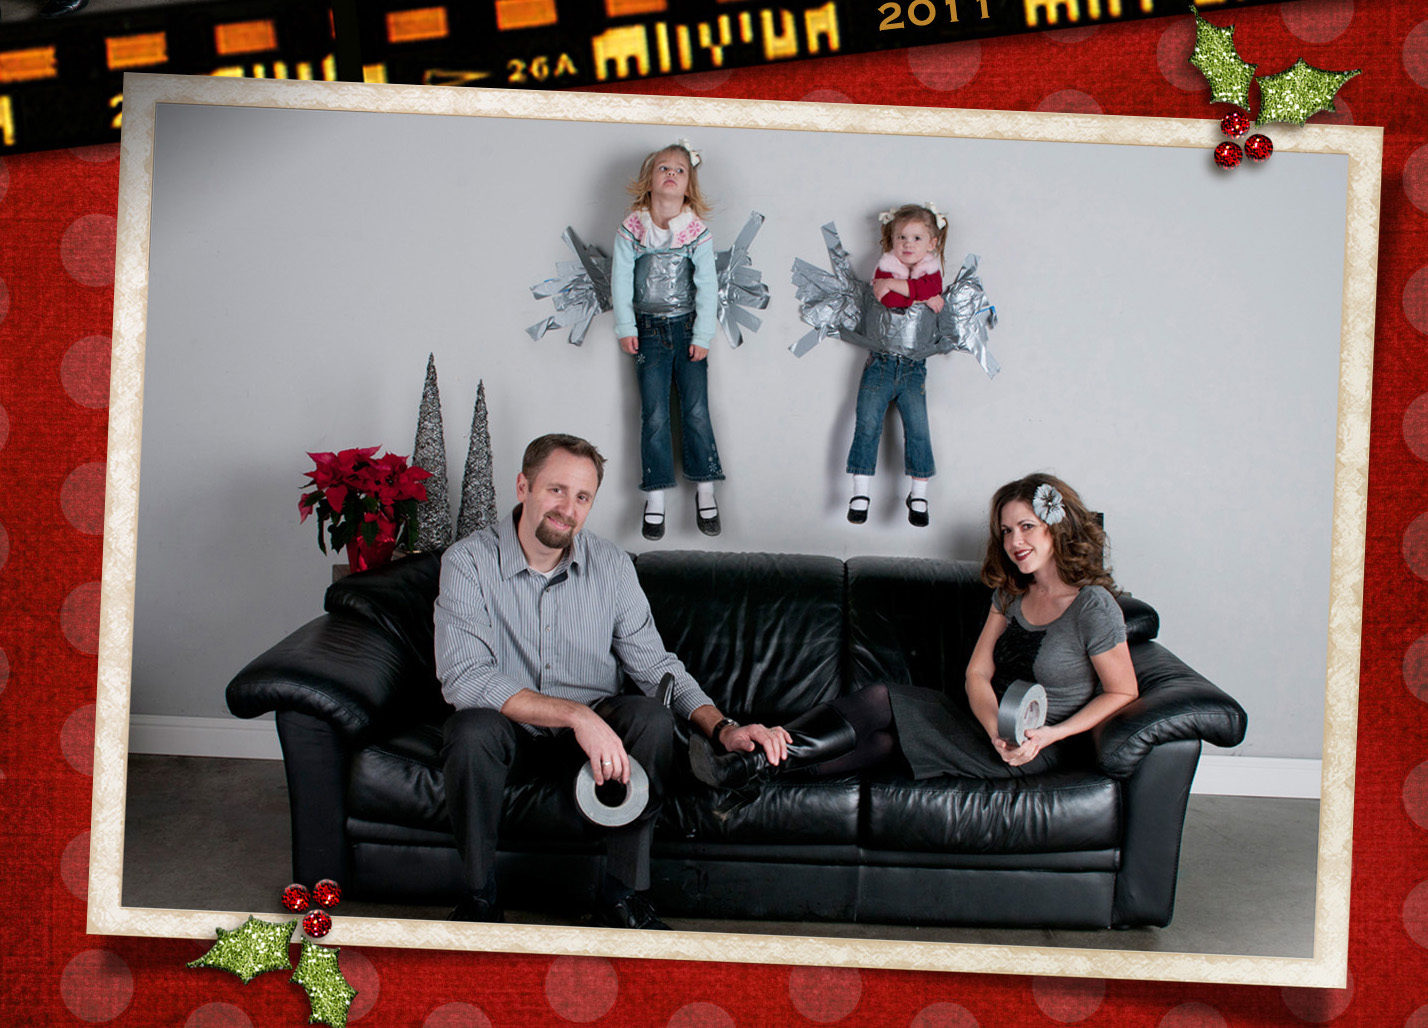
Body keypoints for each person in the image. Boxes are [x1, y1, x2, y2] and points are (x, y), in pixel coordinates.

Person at [434, 433, 791, 927]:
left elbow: (654, 665)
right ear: (523, 486)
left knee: (649, 714)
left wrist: (723, 727)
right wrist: (575, 715)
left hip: (591, 742)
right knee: (469, 729)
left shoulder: (611, 566)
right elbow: (464, 677)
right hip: (505, 728)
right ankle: (479, 896)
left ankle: (622, 897)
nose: (567, 509)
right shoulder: (468, 562)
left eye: (582, 497)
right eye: (556, 490)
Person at [690, 474, 1139, 812]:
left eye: (1026, 527)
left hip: (1031, 747)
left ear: (1056, 527)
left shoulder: (1092, 606)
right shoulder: (1010, 594)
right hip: (983, 723)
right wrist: (988, 726)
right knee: (884, 731)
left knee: (886, 723)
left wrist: (1050, 735)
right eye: (1006, 531)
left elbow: (1123, 691)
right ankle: (754, 766)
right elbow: (977, 673)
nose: (1014, 542)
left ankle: (750, 764)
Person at [612, 140, 725, 541]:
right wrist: (626, 327)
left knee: (696, 410)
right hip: (648, 331)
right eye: (664, 168)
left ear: (688, 182)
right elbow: (622, 279)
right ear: (650, 179)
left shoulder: (696, 231)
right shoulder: (632, 227)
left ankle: (705, 488)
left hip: (687, 328)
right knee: (654, 414)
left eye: (680, 169)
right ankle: (655, 494)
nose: (672, 174)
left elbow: (707, 285)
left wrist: (703, 334)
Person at [846, 202, 950, 528]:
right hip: (879, 365)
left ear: (932, 243)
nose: (908, 244)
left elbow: (931, 288)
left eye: (917, 238)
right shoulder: (884, 267)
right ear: (891, 240)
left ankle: (918, 493)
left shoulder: (932, 268)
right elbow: (888, 300)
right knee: (867, 424)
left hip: (913, 368)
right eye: (901, 237)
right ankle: (860, 491)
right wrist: (913, 293)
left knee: (918, 430)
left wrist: (902, 288)